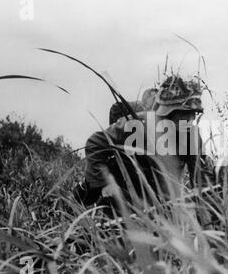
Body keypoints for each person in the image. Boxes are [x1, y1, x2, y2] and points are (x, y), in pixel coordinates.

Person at [73, 76, 214, 216]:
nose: (191, 119)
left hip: (164, 205)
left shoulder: (191, 136)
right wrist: (105, 184)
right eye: (184, 114)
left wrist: (212, 212)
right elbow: (95, 143)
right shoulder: (137, 123)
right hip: (127, 196)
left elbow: (202, 180)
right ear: (169, 113)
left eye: (193, 114)